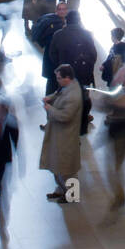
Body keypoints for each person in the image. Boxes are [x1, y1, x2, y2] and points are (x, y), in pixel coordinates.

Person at [48, 11, 98, 136]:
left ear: (66, 21)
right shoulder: (86, 34)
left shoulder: (58, 35)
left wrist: (60, 67)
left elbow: (52, 54)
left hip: (65, 75)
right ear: (79, 20)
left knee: (66, 98)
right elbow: (93, 55)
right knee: (84, 98)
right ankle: (82, 126)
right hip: (83, 74)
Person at [41, 64, 83, 201]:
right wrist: (50, 98)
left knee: (67, 169)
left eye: (59, 78)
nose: (57, 80)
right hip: (59, 135)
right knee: (58, 166)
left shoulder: (73, 96)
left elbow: (65, 116)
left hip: (66, 137)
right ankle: (61, 189)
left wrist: (49, 109)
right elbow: (58, 94)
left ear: (67, 78)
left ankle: (72, 195)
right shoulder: (68, 87)